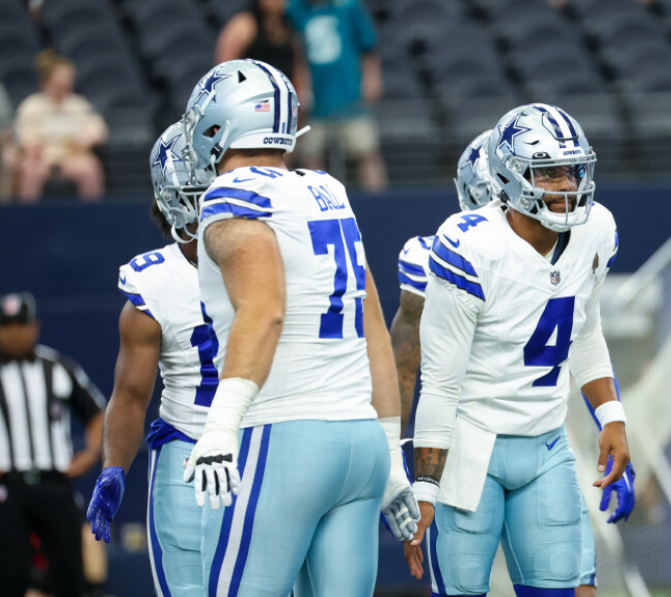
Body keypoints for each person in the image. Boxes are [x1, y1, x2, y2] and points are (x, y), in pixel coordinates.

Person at [180, 58, 416, 595]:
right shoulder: (326, 189)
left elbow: (264, 310)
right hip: (360, 441)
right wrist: (389, 453)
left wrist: (221, 425)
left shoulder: (232, 195)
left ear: (220, 122)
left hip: (283, 436)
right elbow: (372, 329)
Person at [390, 129, 635, 597]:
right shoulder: (465, 247)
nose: (564, 187)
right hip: (471, 447)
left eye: (569, 172)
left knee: (572, 587)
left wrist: (612, 418)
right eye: (547, 174)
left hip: (547, 439)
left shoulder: (594, 230)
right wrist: (415, 477)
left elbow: (585, 334)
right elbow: (426, 378)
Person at [84, 122, 217, 596]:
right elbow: (130, 396)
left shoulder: (280, 255)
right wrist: (113, 468)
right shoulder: (156, 284)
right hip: (189, 453)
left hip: (267, 447)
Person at [0, 291, 106, 597]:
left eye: (21, 325)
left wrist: (91, 454)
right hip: (8, 486)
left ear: (35, 327)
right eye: (7, 326)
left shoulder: (58, 367)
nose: (14, 333)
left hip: (55, 483)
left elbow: (97, 413)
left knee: (69, 570)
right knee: (9, 574)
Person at [286, 0, 387, 191]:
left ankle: (378, 202)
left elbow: (368, 47)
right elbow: (292, 51)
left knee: (366, 151)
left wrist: (372, 79)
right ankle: (318, 201)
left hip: (350, 97)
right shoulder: (294, 10)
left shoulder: (348, 6)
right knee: (311, 156)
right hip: (313, 103)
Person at [14, 50, 108, 202]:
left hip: (72, 156)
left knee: (90, 168)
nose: (65, 84)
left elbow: (98, 129)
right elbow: (24, 132)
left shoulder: (77, 104)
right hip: (41, 157)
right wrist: (31, 144)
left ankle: (93, 214)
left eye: (68, 79)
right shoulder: (32, 105)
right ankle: (27, 214)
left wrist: (84, 141)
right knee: (30, 171)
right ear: (47, 81)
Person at [215, 0, 311, 125]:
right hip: (250, 110)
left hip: (282, 110)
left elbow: (297, 68)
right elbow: (223, 68)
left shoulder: (290, 27)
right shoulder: (245, 24)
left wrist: (300, 105)